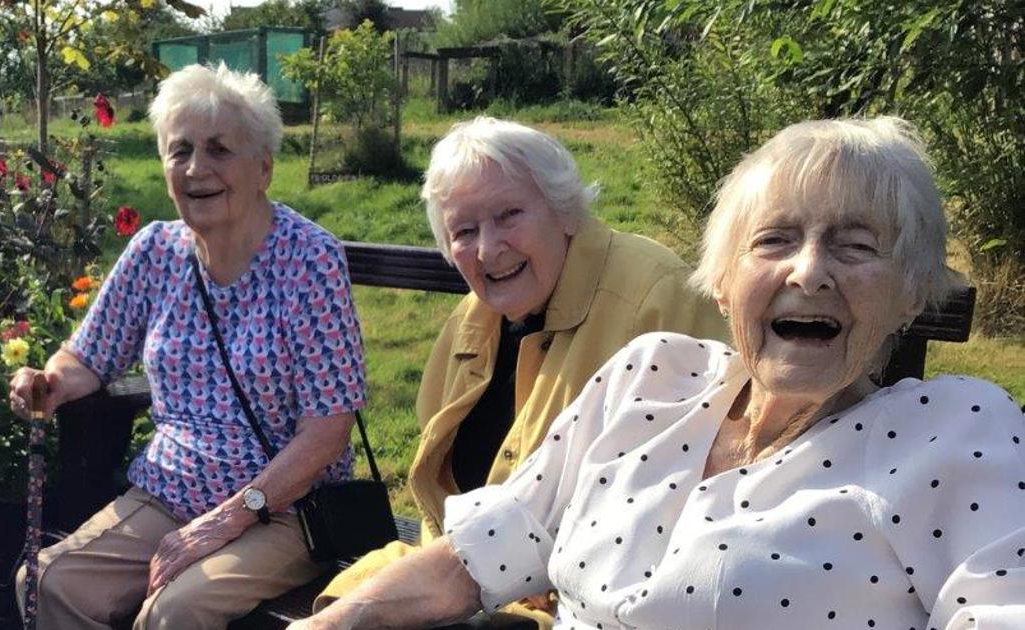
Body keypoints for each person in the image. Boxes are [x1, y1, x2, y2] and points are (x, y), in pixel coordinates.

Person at [293, 117, 1025, 630]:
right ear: (725, 277)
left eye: (855, 245)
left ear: (912, 289)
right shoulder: (651, 379)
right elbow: (474, 557)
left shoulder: (955, 436)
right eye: (773, 240)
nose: (809, 270)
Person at [314, 117, 727, 626]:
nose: (488, 249)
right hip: (461, 576)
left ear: (566, 211)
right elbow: (437, 487)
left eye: (508, 215)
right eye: (464, 231)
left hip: (580, 603)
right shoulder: (476, 315)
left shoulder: (657, 300)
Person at [7, 63, 367, 629]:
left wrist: (226, 520)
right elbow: (87, 357)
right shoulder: (155, 252)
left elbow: (328, 429)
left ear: (264, 168)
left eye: (220, 149)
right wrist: (49, 383)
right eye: (180, 151)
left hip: (282, 507)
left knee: (174, 614)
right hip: (170, 490)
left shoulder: (310, 261)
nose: (197, 169)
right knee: (49, 581)